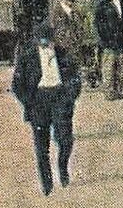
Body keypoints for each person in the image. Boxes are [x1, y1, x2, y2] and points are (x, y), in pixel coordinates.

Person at [10, 20, 82, 195]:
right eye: (41, 41)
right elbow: (17, 85)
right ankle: (47, 182)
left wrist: (69, 97)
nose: (45, 44)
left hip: (59, 98)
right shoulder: (27, 57)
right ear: (35, 40)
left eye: (47, 40)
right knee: (42, 147)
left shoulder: (63, 54)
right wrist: (29, 101)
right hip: (39, 101)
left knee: (66, 140)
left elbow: (75, 79)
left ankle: (63, 167)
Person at [49, 0, 94, 83]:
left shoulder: (75, 12)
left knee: (74, 65)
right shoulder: (56, 12)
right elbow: (54, 29)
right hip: (62, 45)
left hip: (75, 44)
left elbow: (80, 26)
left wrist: (79, 37)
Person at [94, 0, 123, 99]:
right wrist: (105, 38)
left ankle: (118, 90)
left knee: (120, 66)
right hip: (108, 41)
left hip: (121, 40)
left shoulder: (122, 2)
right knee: (109, 67)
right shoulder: (103, 4)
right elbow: (99, 23)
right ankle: (109, 92)